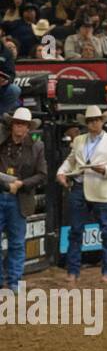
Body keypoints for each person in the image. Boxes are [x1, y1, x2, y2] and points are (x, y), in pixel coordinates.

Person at [56, 106, 107, 283]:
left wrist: (105, 170)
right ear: (86, 123)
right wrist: (61, 172)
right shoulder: (79, 140)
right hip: (80, 187)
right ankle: (73, 271)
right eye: (90, 120)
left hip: (100, 188)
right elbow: (70, 160)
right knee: (76, 231)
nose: (94, 123)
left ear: (102, 121)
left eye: (96, 120)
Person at [0, 107, 46, 291]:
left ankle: (14, 282)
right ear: (11, 125)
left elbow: (42, 174)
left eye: (24, 125)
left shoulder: (37, 147)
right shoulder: (2, 141)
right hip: (2, 193)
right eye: (17, 123)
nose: (20, 128)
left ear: (28, 128)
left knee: (17, 243)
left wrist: (22, 184)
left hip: (20, 198)